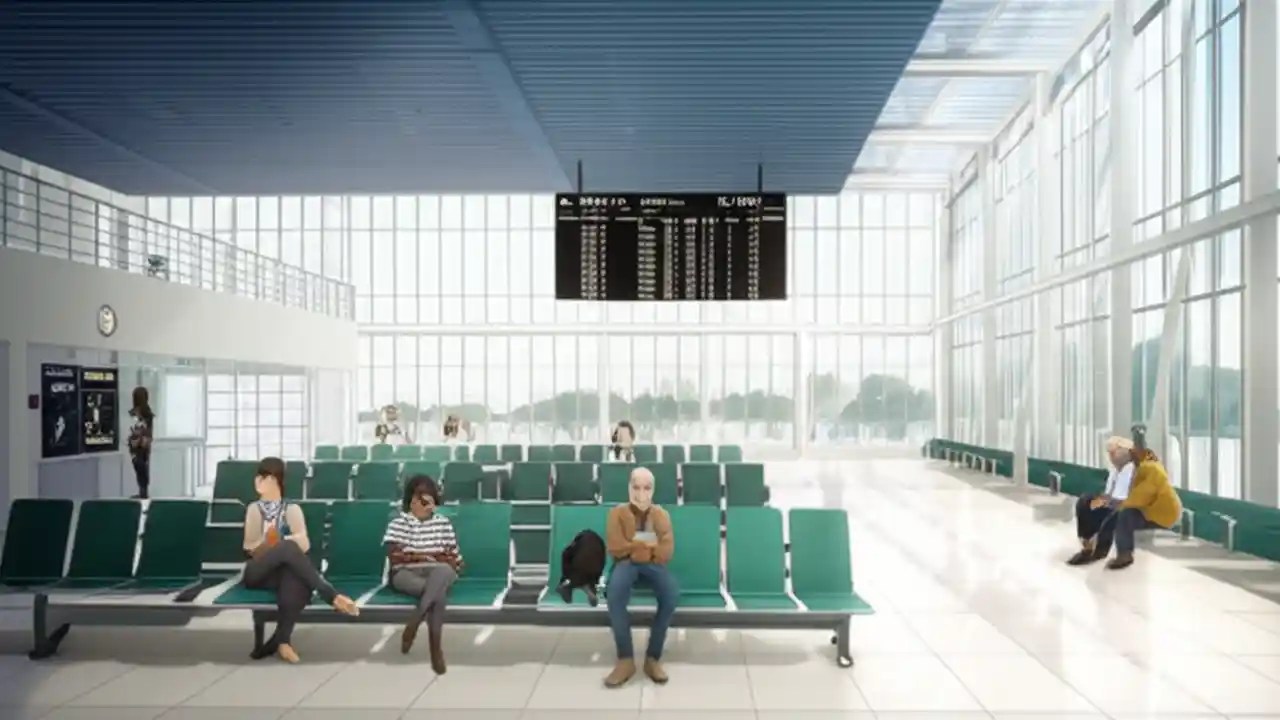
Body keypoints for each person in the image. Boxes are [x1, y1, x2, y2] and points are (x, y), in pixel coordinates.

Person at [242, 457, 359, 663]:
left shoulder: (292, 510)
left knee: (297, 578)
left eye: (267, 477)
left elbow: (303, 544)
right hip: (258, 571)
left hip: (283, 572)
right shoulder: (254, 509)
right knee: (288, 549)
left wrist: (280, 540)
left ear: (278, 481)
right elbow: (249, 547)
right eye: (260, 477)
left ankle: (281, 641)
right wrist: (269, 544)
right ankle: (330, 595)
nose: (261, 482)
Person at [603, 467, 678, 688]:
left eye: (646, 487)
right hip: (624, 564)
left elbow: (666, 551)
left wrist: (634, 545)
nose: (640, 493)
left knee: (671, 595)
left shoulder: (661, 514)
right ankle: (625, 659)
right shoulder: (616, 513)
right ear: (629, 487)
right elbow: (616, 548)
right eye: (636, 487)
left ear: (652, 490)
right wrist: (647, 543)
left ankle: (652, 658)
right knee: (614, 596)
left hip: (653, 565)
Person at [383, 474, 462, 674]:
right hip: (406, 574)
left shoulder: (443, 523)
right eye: (419, 499)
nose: (424, 504)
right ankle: (436, 650)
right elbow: (396, 558)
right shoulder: (399, 523)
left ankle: (416, 620)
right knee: (438, 594)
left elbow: (453, 558)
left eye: (428, 499)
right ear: (411, 501)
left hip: (440, 571)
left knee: (443, 572)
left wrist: (417, 555)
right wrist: (430, 556)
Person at [1105, 425, 1182, 570]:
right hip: (1152, 511)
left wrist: (1121, 505)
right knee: (1123, 515)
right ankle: (1121, 550)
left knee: (1125, 516)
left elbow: (1142, 495)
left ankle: (1125, 555)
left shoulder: (1151, 469)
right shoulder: (1144, 467)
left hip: (1164, 515)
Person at [1066, 435, 1135, 566]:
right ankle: (1087, 544)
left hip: (1128, 505)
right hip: (1113, 502)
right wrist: (1097, 502)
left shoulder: (1131, 469)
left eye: (1113, 453)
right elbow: (1109, 493)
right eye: (1109, 453)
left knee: (1114, 515)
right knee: (1084, 502)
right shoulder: (1114, 469)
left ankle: (1105, 550)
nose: (1110, 457)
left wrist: (1104, 502)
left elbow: (1122, 497)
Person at [127, 387, 155, 499]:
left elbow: (143, 430)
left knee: (140, 466)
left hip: (140, 445)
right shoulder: (146, 413)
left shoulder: (142, 413)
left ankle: (143, 492)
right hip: (142, 445)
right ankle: (143, 491)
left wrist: (137, 439)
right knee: (141, 467)